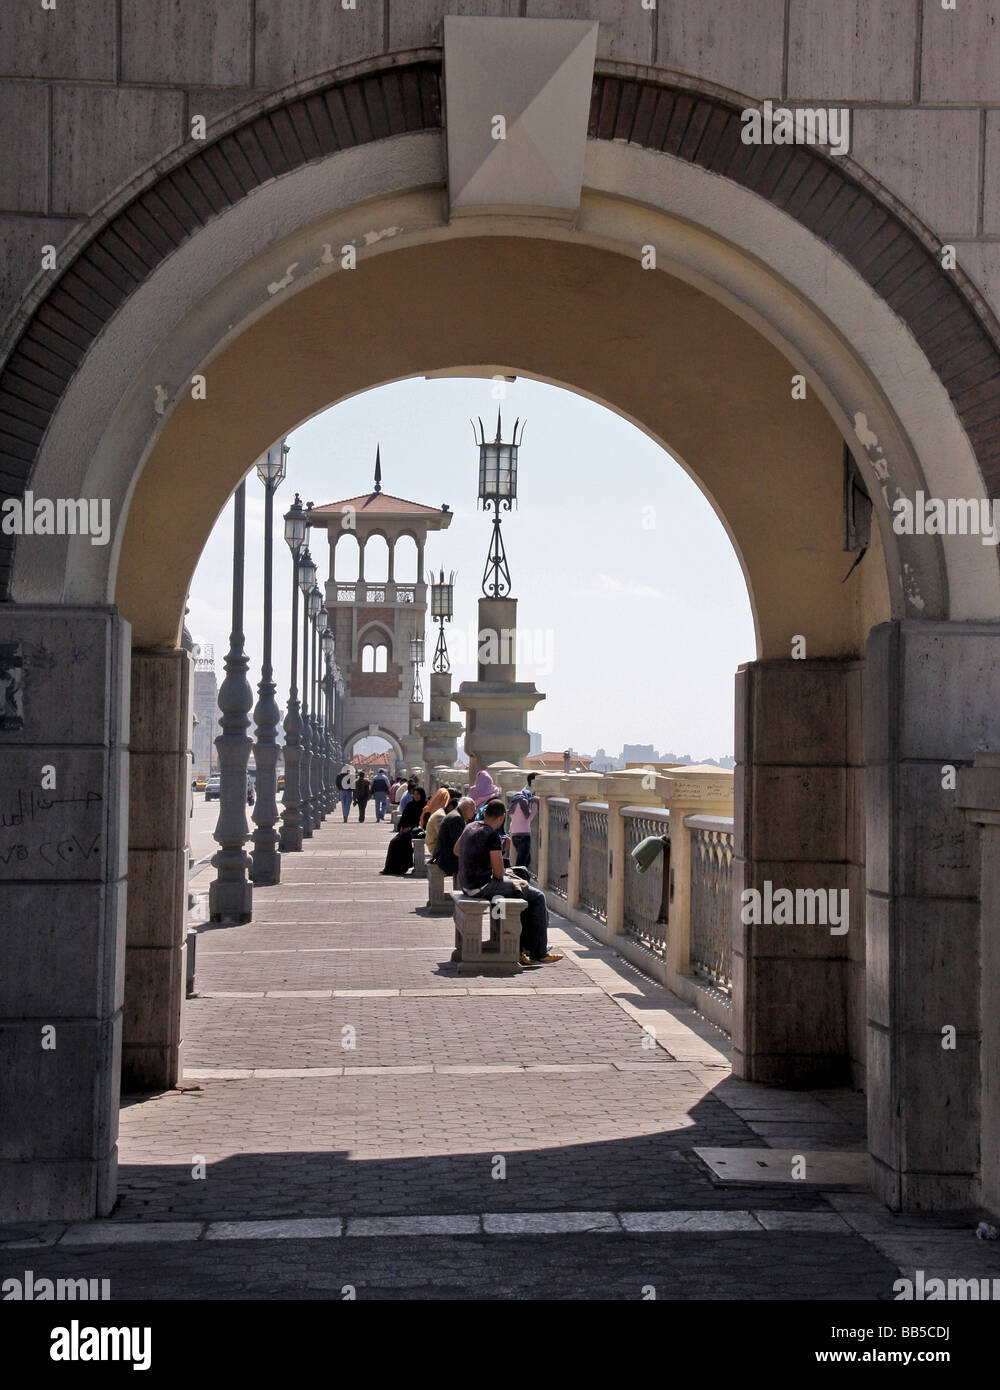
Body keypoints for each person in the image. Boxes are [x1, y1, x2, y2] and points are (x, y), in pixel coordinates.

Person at [457, 798, 562, 965]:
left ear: (484, 813)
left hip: (466, 885)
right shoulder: (491, 834)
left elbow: (457, 850)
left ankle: (519, 946)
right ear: (501, 818)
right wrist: (501, 848)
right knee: (537, 897)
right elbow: (499, 874)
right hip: (482, 886)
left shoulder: (470, 827)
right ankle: (539, 951)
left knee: (509, 897)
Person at [380, 786, 428, 875]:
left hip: (416, 830)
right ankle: (391, 868)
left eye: (418, 794)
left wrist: (409, 828)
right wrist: (401, 828)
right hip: (405, 830)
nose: (416, 796)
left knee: (402, 842)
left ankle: (403, 866)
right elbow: (404, 818)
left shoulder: (424, 806)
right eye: (415, 794)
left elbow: (421, 821)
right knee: (394, 842)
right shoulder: (410, 805)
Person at [431, 796, 474, 877]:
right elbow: (461, 843)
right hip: (446, 858)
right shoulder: (456, 818)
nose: (474, 812)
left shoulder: (457, 815)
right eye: (473, 809)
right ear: (466, 808)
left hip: (446, 855)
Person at [508, 772, 537, 871]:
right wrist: (534, 805)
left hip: (515, 833)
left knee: (525, 859)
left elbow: (512, 815)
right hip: (524, 834)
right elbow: (528, 817)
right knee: (522, 863)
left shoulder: (514, 801)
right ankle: (518, 881)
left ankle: (522, 879)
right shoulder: (524, 801)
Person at [425, 789, 458, 856]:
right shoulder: (440, 816)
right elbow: (443, 835)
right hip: (435, 848)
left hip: (437, 845)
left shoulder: (442, 812)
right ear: (450, 807)